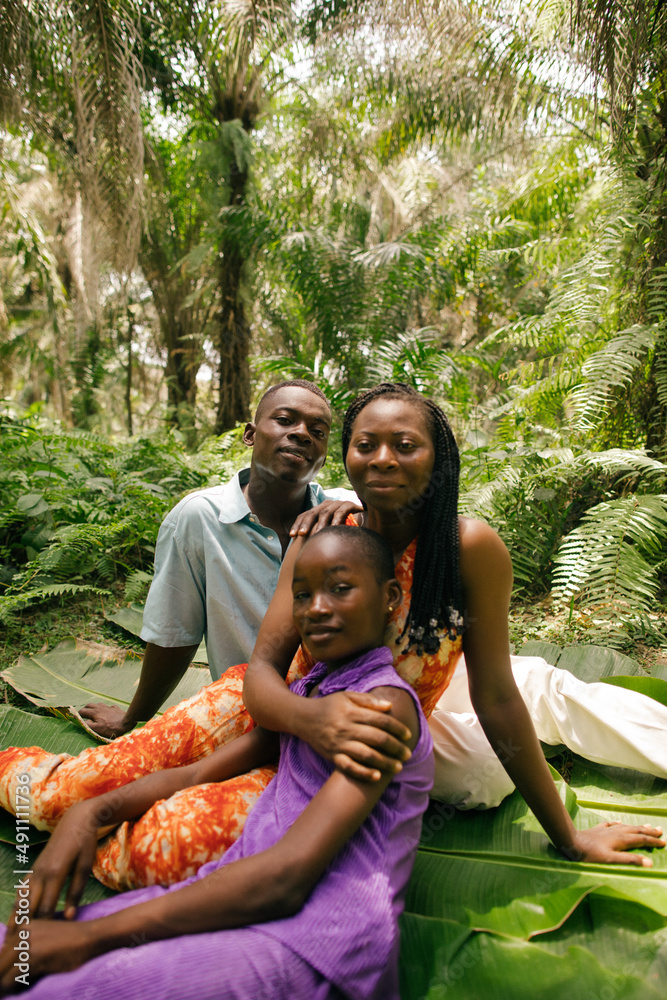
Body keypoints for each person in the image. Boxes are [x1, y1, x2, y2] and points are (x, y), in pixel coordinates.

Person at [0, 384, 664, 890]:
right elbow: (260, 673)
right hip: (265, 716)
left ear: (440, 458)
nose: (382, 458)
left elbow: (495, 697)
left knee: (164, 845)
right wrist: (312, 719)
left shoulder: (468, 549)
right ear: (345, 456)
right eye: (364, 444)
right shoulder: (325, 531)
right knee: (63, 794)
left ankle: (85, 847)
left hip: (335, 766)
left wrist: (570, 838)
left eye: (406, 444)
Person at [0, 527, 434, 1000]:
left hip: (314, 942)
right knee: (17, 951)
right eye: (303, 595)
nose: (317, 608)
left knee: (60, 981)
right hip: (236, 902)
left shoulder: (381, 707)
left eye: (340, 588)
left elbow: (287, 879)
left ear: (390, 597)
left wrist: (89, 938)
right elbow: (197, 773)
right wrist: (93, 811)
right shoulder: (313, 691)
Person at [78, 377, 360, 740]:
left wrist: (362, 507)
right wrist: (133, 718)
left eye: (317, 431)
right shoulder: (199, 519)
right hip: (247, 716)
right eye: (286, 420)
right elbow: (175, 633)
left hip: (340, 705)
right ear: (250, 434)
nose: (302, 434)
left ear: (324, 454)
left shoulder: (345, 512)